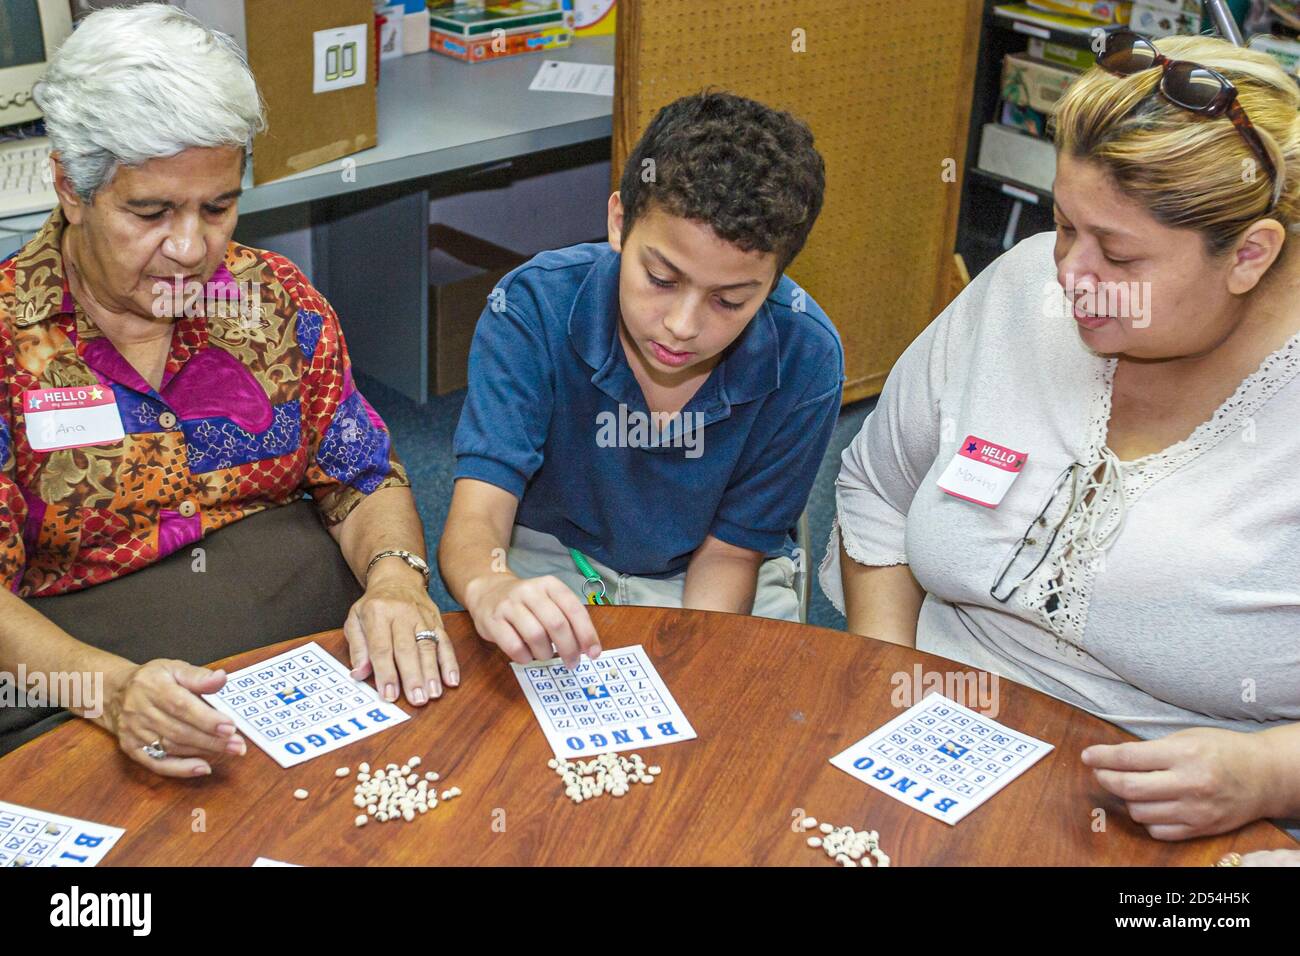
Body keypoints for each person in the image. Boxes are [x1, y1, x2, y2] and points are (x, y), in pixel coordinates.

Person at [821, 33, 1300, 842]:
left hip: (1177, 825)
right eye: (1063, 223)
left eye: (1119, 254)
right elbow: (876, 489)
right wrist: (887, 678)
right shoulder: (1026, 288)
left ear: (1249, 255)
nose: (1069, 273)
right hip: (925, 743)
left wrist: (1267, 774)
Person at [0, 4, 457, 774]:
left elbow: (361, 475)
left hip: (304, 647)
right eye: (151, 212)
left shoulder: (273, 299)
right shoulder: (10, 339)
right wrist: (109, 692)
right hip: (81, 674)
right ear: (71, 188)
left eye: (217, 207)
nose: (190, 248)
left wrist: (396, 577)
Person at [439, 91, 843, 669]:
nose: (682, 326)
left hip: (714, 572)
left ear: (774, 281)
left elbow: (731, 554)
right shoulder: (532, 307)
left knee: (739, 699)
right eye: (660, 278)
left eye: (729, 301)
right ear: (619, 221)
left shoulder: (806, 355)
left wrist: (692, 659)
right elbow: (479, 511)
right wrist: (490, 585)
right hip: (556, 559)